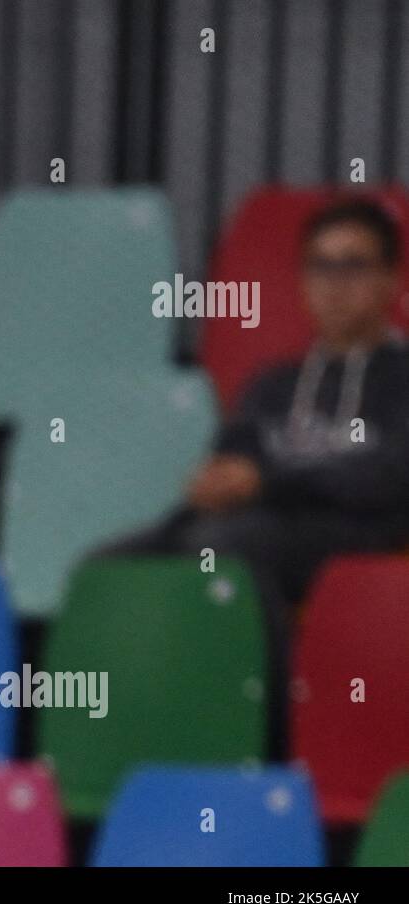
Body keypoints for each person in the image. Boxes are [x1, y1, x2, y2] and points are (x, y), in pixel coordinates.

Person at [97, 198, 409, 755]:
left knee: (223, 547)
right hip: (254, 526)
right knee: (109, 568)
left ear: (390, 280)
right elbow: (232, 458)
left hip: (359, 536)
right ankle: (123, 743)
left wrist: (267, 481)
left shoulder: (401, 379)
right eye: (320, 266)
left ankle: (262, 739)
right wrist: (215, 483)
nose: (334, 284)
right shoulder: (273, 383)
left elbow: (387, 479)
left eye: (353, 266)